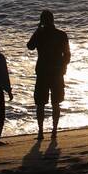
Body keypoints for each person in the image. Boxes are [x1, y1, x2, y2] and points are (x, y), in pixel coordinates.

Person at [27, 10, 70, 140]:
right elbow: (67, 54)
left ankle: (40, 132)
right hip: (57, 72)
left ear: (42, 21)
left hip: (43, 72)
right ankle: (54, 131)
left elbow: (30, 46)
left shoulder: (40, 34)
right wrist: (63, 67)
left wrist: (37, 29)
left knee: (40, 103)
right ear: (53, 20)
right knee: (56, 103)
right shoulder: (61, 35)